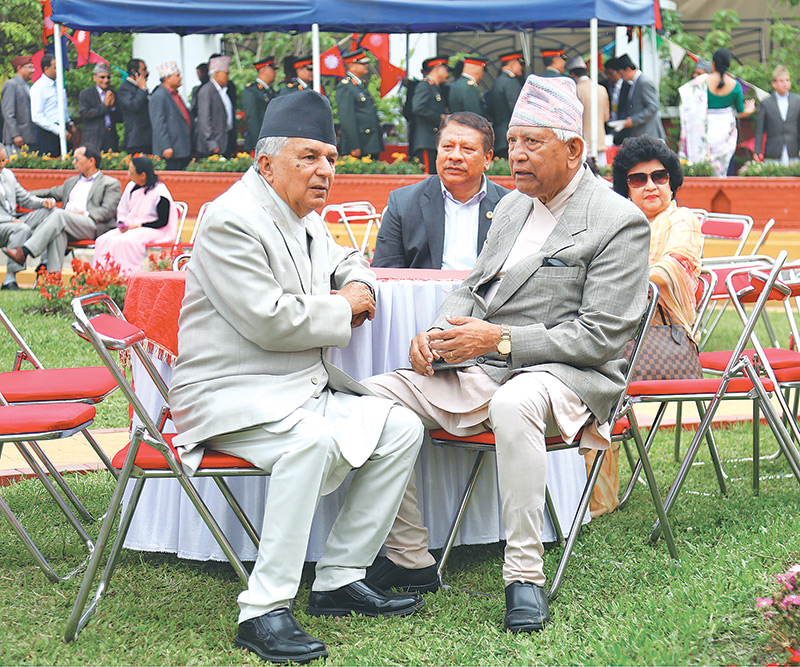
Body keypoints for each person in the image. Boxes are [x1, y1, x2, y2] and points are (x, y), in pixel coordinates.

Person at [362, 74, 650, 633]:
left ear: (573, 149)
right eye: (513, 142)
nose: (515, 155)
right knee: (374, 394)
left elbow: (601, 338)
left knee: (517, 400)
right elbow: (474, 286)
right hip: (488, 367)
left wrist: (496, 340)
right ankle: (410, 557)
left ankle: (524, 576)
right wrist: (439, 333)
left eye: (532, 143)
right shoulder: (515, 206)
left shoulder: (618, 221)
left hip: (568, 373)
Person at [168, 89, 425, 665]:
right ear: (267, 162)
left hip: (295, 389)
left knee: (402, 426)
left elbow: (345, 260)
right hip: (229, 394)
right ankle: (263, 611)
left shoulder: (298, 213)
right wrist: (347, 308)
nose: (326, 171)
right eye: (309, 157)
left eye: (331, 158)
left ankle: (338, 577)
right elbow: (269, 321)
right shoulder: (232, 218)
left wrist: (359, 285)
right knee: (310, 444)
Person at [372, 112, 508, 269]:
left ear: (487, 158)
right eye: (447, 147)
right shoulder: (403, 203)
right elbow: (386, 271)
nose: (455, 156)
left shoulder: (510, 206)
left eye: (467, 149)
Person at [1, 146, 121, 274]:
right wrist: (20, 195)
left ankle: (25, 251)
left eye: (77, 159)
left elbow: (106, 211)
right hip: (65, 223)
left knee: (58, 215)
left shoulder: (110, 183)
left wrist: (82, 214)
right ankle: (53, 280)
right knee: (58, 231)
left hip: (91, 224)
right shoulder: (72, 182)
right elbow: (50, 192)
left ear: (91, 161)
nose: (73, 162)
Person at [93, 156, 177, 275]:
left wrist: (140, 225)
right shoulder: (131, 186)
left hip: (156, 230)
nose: (128, 175)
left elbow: (163, 221)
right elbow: (122, 209)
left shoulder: (160, 192)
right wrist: (122, 222)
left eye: (131, 173)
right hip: (131, 227)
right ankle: (101, 275)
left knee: (126, 241)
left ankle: (128, 276)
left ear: (143, 175)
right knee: (102, 240)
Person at [678, 48, 755, 176]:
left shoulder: (701, 83)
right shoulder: (735, 85)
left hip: (703, 127)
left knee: (702, 168)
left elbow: (687, 97)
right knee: (721, 170)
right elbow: (741, 112)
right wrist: (750, 109)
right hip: (725, 131)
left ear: (713, 64)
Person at [0, 145, 57, 289]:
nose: (3, 164)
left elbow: (26, 199)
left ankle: (44, 264)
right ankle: (9, 279)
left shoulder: (8, 175)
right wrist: (8, 220)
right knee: (21, 228)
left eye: (4, 160)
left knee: (51, 213)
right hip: (5, 222)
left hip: (14, 219)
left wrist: (43, 202)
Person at [335, 48, 384, 160]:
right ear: (351, 65)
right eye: (362, 63)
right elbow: (347, 118)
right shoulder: (346, 86)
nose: (366, 65)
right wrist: (354, 145)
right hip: (360, 142)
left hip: (370, 141)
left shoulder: (359, 84)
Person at [149, 61, 193, 170]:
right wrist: (166, 146)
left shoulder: (174, 94)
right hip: (171, 150)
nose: (180, 78)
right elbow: (158, 123)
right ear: (167, 78)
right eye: (177, 76)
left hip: (181, 148)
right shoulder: (159, 95)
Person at [568, 56, 610, 167]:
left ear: (572, 74)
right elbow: (606, 117)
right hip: (600, 142)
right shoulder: (601, 89)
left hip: (582, 144)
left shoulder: (575, 90)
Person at [29, 52, 74, 156]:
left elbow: (62, 107)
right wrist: (58, 130)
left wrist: (70, 124)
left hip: (64, 129)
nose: (59, 70)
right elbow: (37, 116)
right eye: (55, 67)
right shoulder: (38, 88)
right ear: (46, 69)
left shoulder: (59, 83)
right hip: (48, 132)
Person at [410, 56, 449, 173]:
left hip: (432, 140)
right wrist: (440, 117)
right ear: (438, 68)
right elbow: (418, 108)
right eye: (445, 69)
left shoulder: (434, 87)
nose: (447, 73)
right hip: (426, 140)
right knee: (428, 176)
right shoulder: (425, 86)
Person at [755, 65, 800, 165]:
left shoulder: (797, 101)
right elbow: (760, 129)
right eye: (782, 80)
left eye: (787, 80)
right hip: (773, 150)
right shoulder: (766, 103)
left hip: (793, 148)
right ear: (774, 84)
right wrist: (757, 150)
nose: (785, 83)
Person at [614, 54, 665, 142]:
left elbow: (653, 107)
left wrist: (633, 120)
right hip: (640, 134)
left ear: (628, 69)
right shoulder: (634, 83)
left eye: (622, 74)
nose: (622, 78)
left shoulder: (644, 82)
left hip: (649, 133)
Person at [487, 51, 525, 159]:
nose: (521, 67)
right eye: (519, 64)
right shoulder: (510, 82)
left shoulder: (498, 81)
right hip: (510, 136)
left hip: (500, 137)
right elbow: (517, 109)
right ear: (512, 63)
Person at [195, 55, 234, 157]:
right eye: (226, 73)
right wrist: (211, 143)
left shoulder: (222, 90)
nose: (227, 77)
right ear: (217, 73)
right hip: (212, 146)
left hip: (223, 142)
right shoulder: (207, 90)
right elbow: (204, 120)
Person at [78, 63, 121, 152]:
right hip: (93, 139)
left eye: (108, 77)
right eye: (102, 77)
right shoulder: (86, 94)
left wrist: (113, 107)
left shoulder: (112, 93)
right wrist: (105, 106)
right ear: (95, 78)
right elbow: (84, 114)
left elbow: (120, 118)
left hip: (110, 137)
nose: (106, 80)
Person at [117, 58, 153, 155]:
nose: (147, 72)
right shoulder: (124, 89)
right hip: (136, 139)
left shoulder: (140, 88)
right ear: (134, 72)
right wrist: (142, 89)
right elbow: (134, 106)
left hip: (148, 138)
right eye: (144, 69)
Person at [2, 55, 36, 155]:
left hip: (29, 138)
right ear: (19, 68)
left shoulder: (28, 86)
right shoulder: (11, 85)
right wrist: (15, 135)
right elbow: (8, 113)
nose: (33, 70)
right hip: (16, 139)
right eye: (30, 67)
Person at [242, 56, 277, 153]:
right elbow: (252, 119)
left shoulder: (270, 91)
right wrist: (258, 144)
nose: (275, 72)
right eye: (273, 69)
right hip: (258, 142)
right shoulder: (252, 91)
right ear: (264, 70)